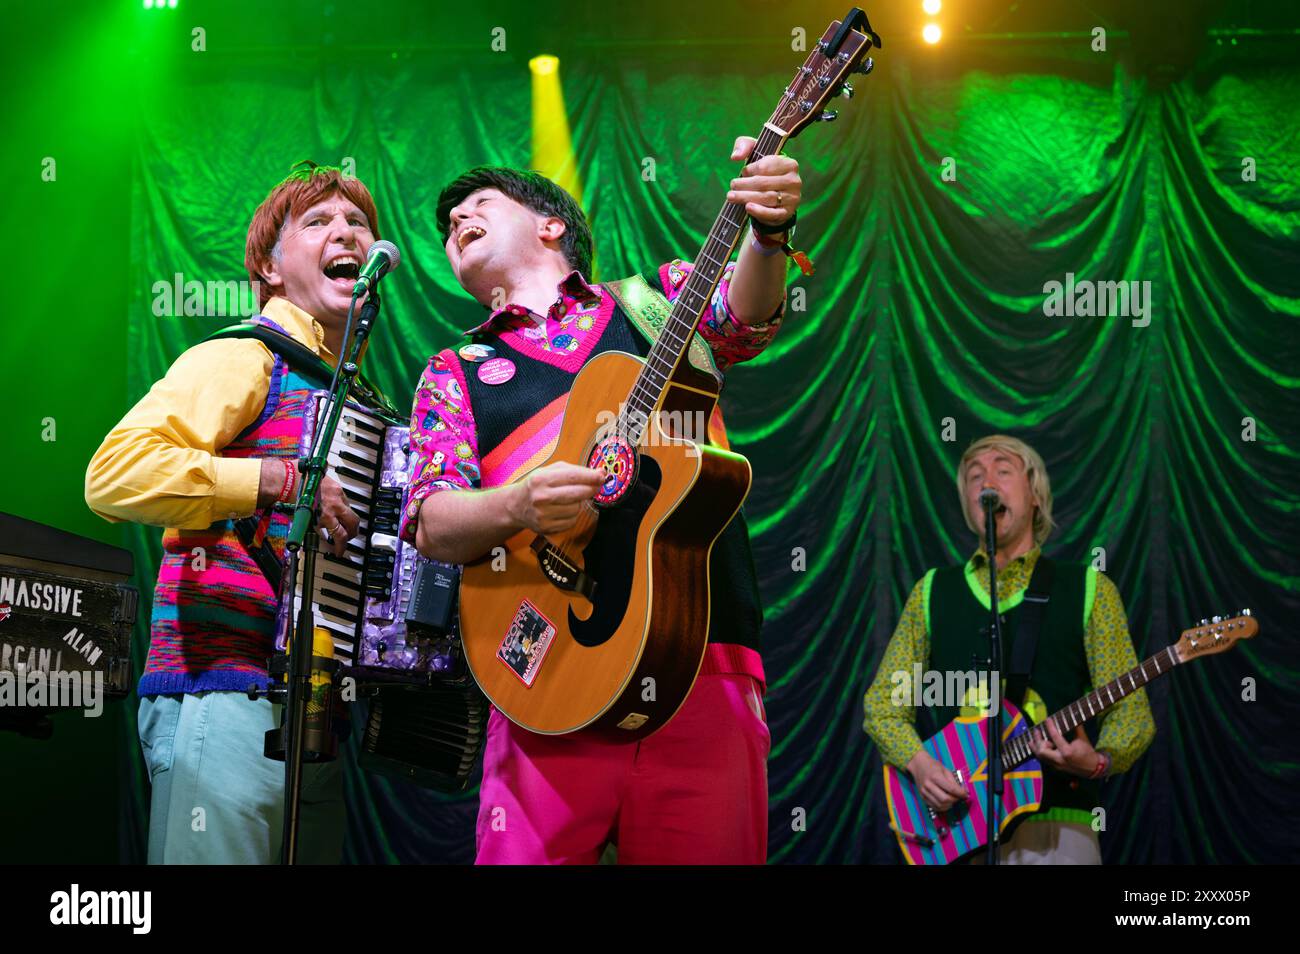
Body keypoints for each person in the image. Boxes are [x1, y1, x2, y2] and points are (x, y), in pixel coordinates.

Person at [402, 135, 799, 863]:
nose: (456, 218)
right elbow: (431, 520)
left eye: (478, 205)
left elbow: (746, 314)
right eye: (449, 224)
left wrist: (768, 233)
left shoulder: (655, 302)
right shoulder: (455, 370)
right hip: (541, 674)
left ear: (551, 224)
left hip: (698, 659)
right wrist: (517, 504)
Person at [85, 161, 380, 864]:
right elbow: (112, 475)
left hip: (312, 715)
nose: (347, 232)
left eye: (358, 224)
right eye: (318, 223)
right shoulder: (248, 356)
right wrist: (274, 478)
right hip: (222, 692)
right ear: (271, 269)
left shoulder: (352, 396)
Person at [863, 434, 1156, 864]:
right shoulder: (931, 591)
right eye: (975, 474)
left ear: (1035, 494)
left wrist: (1097, 761)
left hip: (1059, 830)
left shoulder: (1091, 589)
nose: (987, 481)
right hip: (958, 830)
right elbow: (883, 705)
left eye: (1003, 469)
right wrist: (922, 766)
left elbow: (1132, 713)